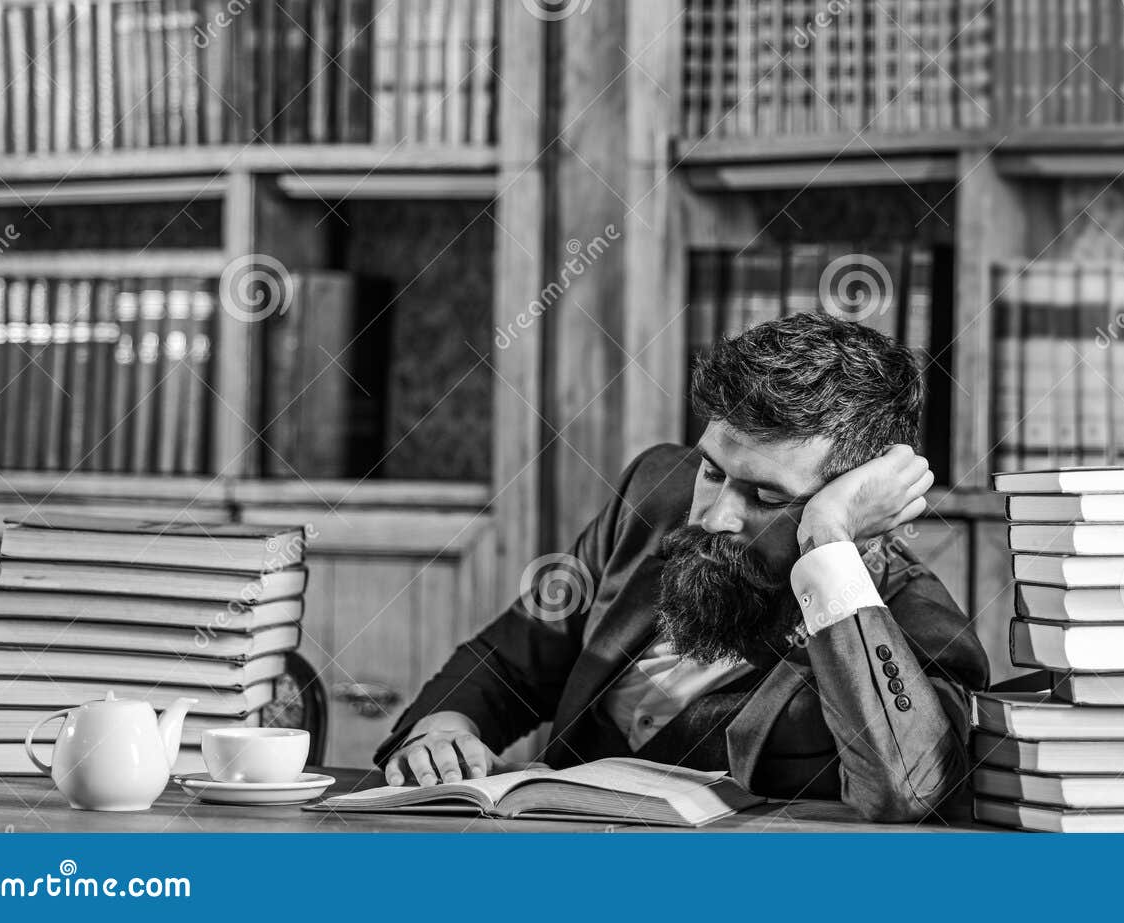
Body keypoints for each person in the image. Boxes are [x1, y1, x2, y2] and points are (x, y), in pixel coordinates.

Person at [375, 312, 989, 822]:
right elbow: (513, 657)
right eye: (714, 471)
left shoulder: (912, 624)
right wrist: (443, 728)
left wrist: (827, 539)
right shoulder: (655, 492)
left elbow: (909, 793)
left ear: (861, 495)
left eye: (769, 498)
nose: (717, 516)